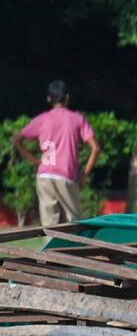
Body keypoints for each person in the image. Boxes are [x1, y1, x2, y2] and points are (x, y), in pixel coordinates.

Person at [11, 80, 100, 226]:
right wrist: (85, 174)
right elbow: (95, 148)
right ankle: (70, 249)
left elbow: (17, 140)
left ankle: (49, 248)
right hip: (66, 175)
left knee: (50, 225)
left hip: (45, 175)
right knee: (74, 224)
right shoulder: (77, 119)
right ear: (67, 98)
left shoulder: (42, 119)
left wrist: (35, 160)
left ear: (49, 99)